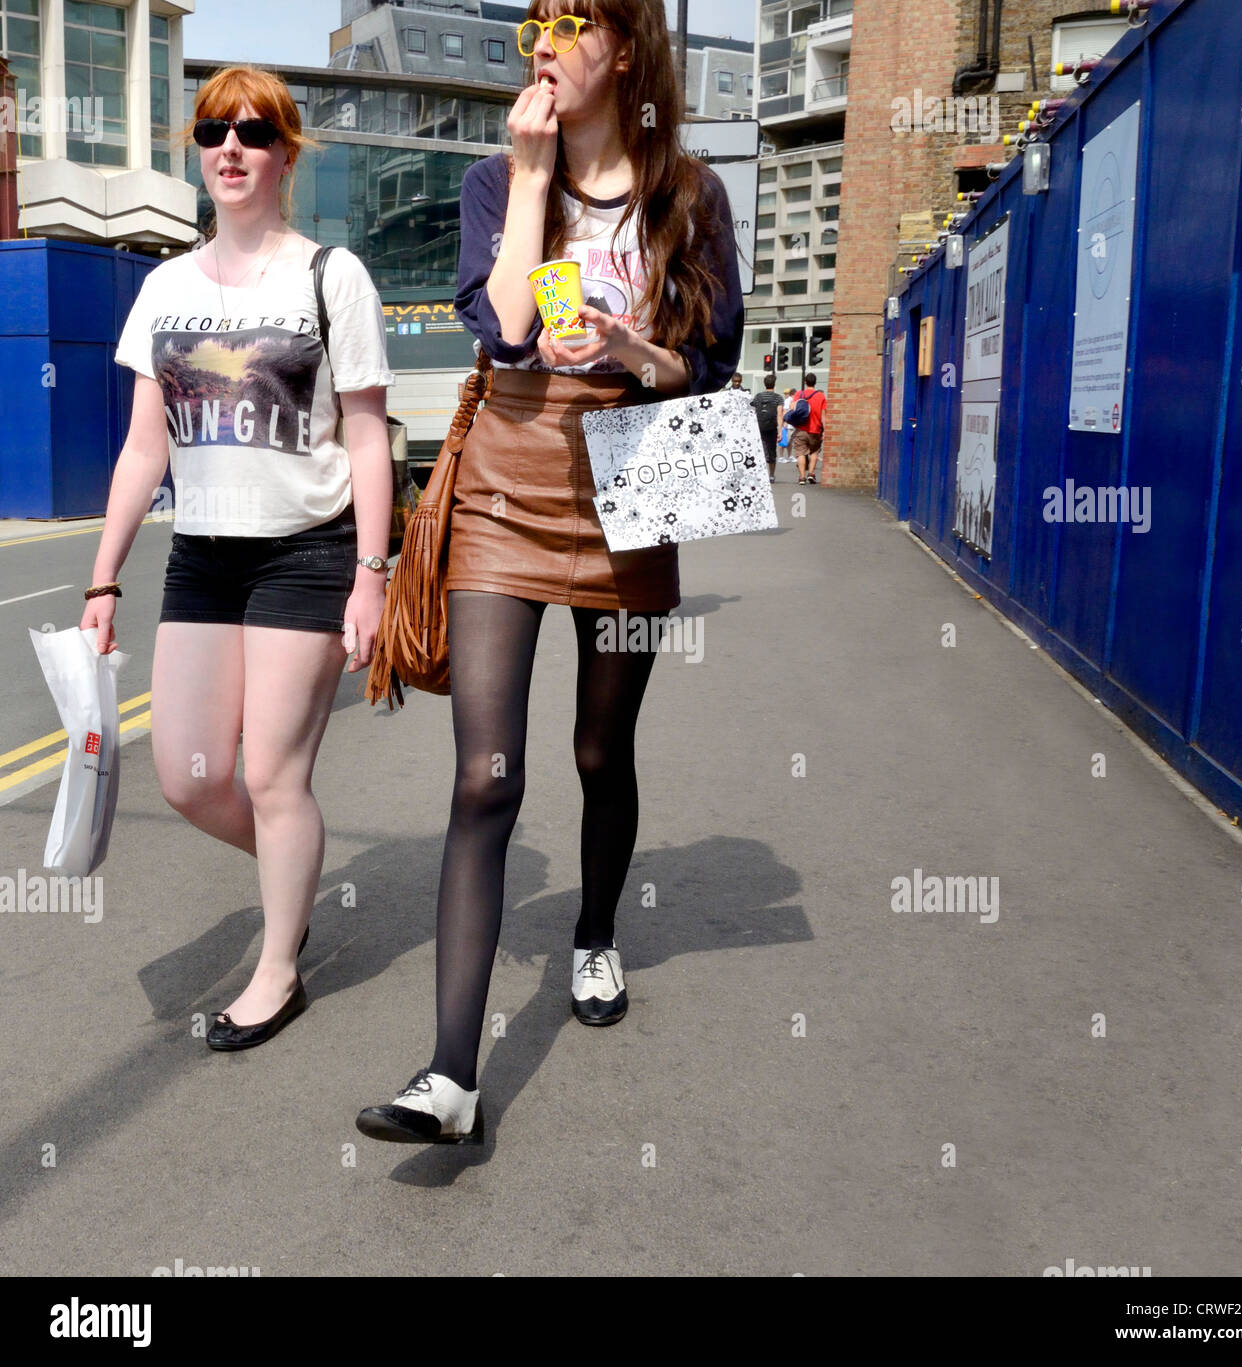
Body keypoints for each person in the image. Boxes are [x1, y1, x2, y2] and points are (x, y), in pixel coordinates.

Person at [355, 0, 743, 1146]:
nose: (543, 40)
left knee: (598, 747)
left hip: (636, 478)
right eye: (533, 19)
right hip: (506, 479)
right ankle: (450, 1074)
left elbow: (708, 359)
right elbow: (511, 326)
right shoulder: (493, 183)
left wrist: (632, 348)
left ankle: (592, 932)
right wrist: (530, 179)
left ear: (623, 46)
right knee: (486, 773)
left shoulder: (691, 191)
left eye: (569, 21)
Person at [84, 65, 394, 1051]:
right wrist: (103, 577)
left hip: (307, 551)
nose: (231, 146)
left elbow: (370, 432)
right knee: (185, 773)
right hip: (204, 560)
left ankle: (277, 964)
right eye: (215, 129)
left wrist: (372, 574)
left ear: (285, 153)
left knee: (269, 772)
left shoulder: (329, 275)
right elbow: (145, 446)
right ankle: (294, 869)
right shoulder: (165, 288)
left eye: (254, 131)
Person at [786, 371, 828, 485]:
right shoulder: (821, 396)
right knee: (814, 451)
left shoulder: (799, 394)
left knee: (800, 453)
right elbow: (823, 415)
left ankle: (802, 477)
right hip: (816, 430)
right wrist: (825, 430)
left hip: (801, 429)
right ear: (815, 382)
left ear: (805, 382)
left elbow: (792, 408)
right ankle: (811, 473)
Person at [750, 374, 783, 482]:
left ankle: (761, 474)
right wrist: (780, 431)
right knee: (771, 451)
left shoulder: (758, 397)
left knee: (760, 450)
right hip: (772, 428)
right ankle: (771, 475)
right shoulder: (778, 398)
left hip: (759, 427)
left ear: (764, 384)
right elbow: (779, 414)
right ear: (774, 384)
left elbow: (753, 412)